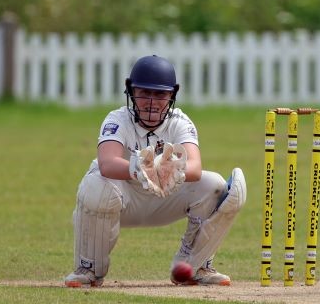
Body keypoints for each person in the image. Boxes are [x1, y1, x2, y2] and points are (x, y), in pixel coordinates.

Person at [64, 54, 246, 288]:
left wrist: (171, 170)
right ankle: (88, 268)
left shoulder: (180, 122)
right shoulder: (117, 119)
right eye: (144, 93)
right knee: (95, 184)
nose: (152, 101)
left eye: (160, 94)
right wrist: (139, 168)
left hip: (165, 199)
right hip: (123, 200)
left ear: (172, 94)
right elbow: (107, 162)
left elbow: (196, 168)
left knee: (217, 185)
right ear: (131, 91)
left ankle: (194, 266)